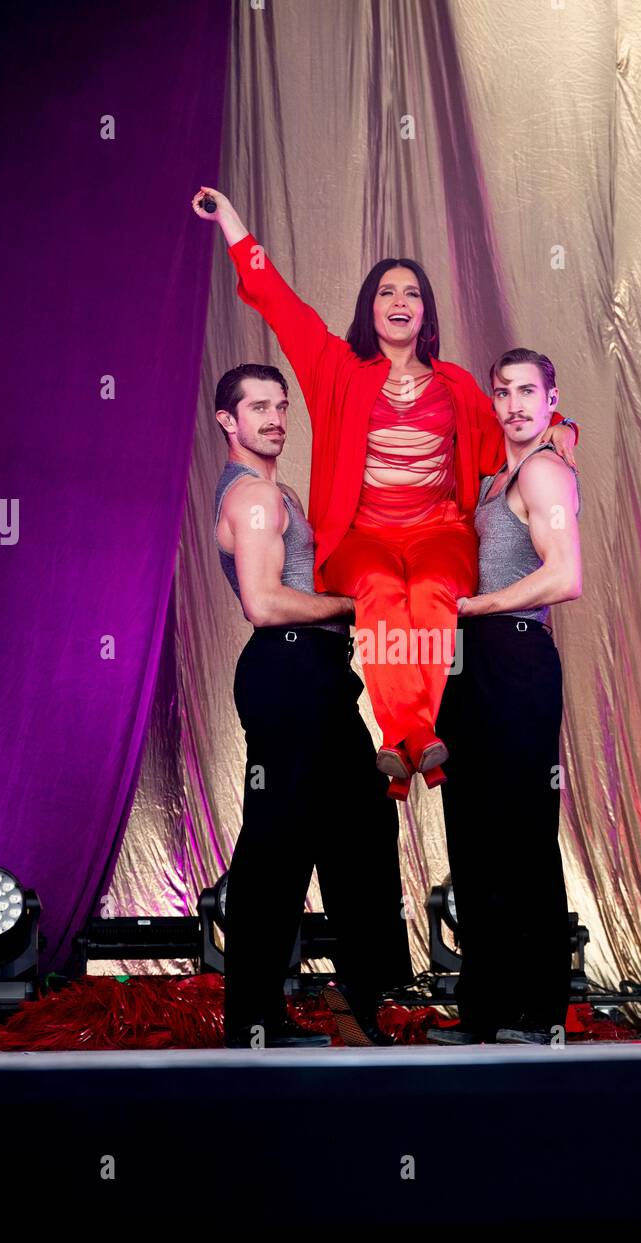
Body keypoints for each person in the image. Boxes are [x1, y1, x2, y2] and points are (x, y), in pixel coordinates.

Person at [192, 188, 579, 799]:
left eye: (413, 293)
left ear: (425, 312)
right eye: (387, 292)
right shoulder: (334, 367)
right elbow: (278, 302)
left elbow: (509, 434)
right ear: (369, 308)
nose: (400, 301)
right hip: (361, 534)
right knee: (374, 592)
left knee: (429, 593)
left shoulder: (454, 384)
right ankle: (415, 736)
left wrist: (562, 429)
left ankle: (404, 744)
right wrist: (232, 225)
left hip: (439, 531)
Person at [213, 363, 411, 1047]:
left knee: (358, 824)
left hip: (320, 675)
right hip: (288, 671)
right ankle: (254, 1022)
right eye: (257, 407)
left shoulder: (281, 493)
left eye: (281, 406)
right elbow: (264, 603)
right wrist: (359, 606)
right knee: (277, 847)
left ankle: (354, 997)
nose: (274, 419)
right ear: (227, 422)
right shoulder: (255, 501)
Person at [429, 348, 582, 1046]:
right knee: (475, 841)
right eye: (504, 392)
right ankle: (484, 1013)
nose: (515, 404)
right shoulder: (495, 481)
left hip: (515, 652)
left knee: (521, 836)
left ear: (550, 400)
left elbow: (566, 575)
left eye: (529, 391)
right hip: (471, 664)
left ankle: (539, 1010)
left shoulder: (544, 471)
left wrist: (480, 604)